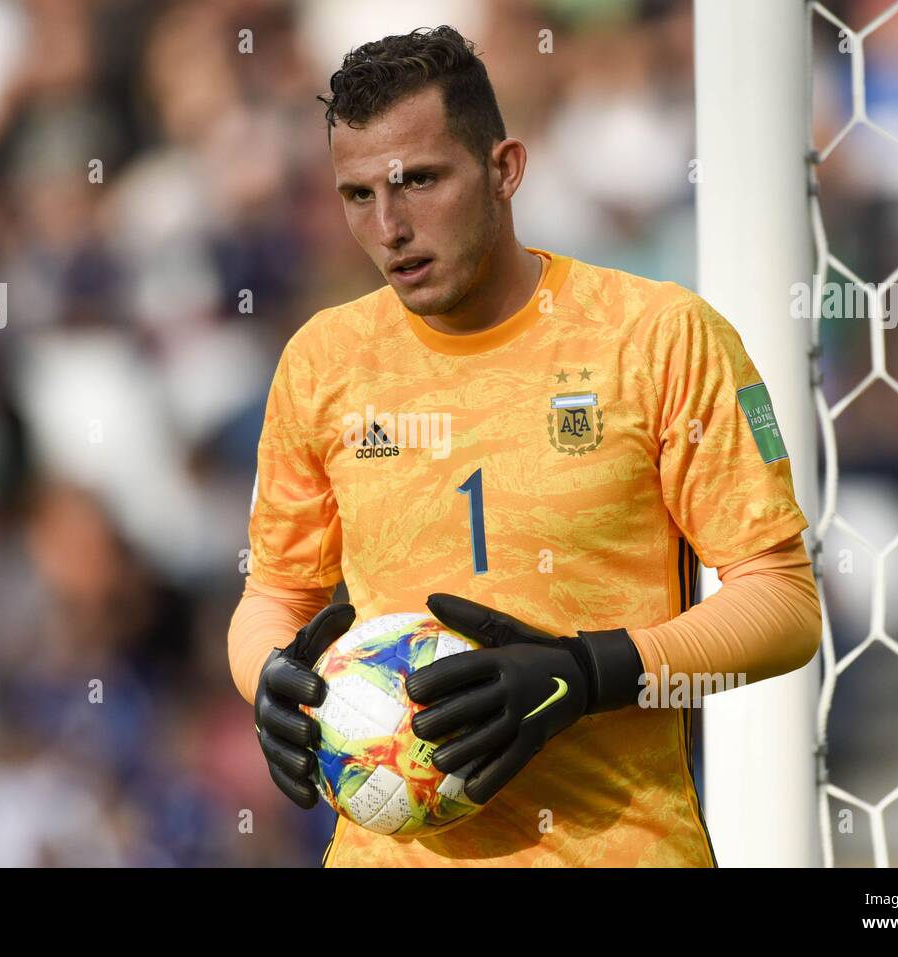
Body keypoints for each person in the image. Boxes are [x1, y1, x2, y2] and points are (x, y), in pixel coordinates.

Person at [227, 25, 820, 867]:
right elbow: (274, 597)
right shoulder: (322, 361)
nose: (390, 226)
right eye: (358, 195)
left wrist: (586, 675)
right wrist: (268, 681)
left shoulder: (655, 337)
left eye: (420, 181)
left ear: (505, 169)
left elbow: (784, 607)